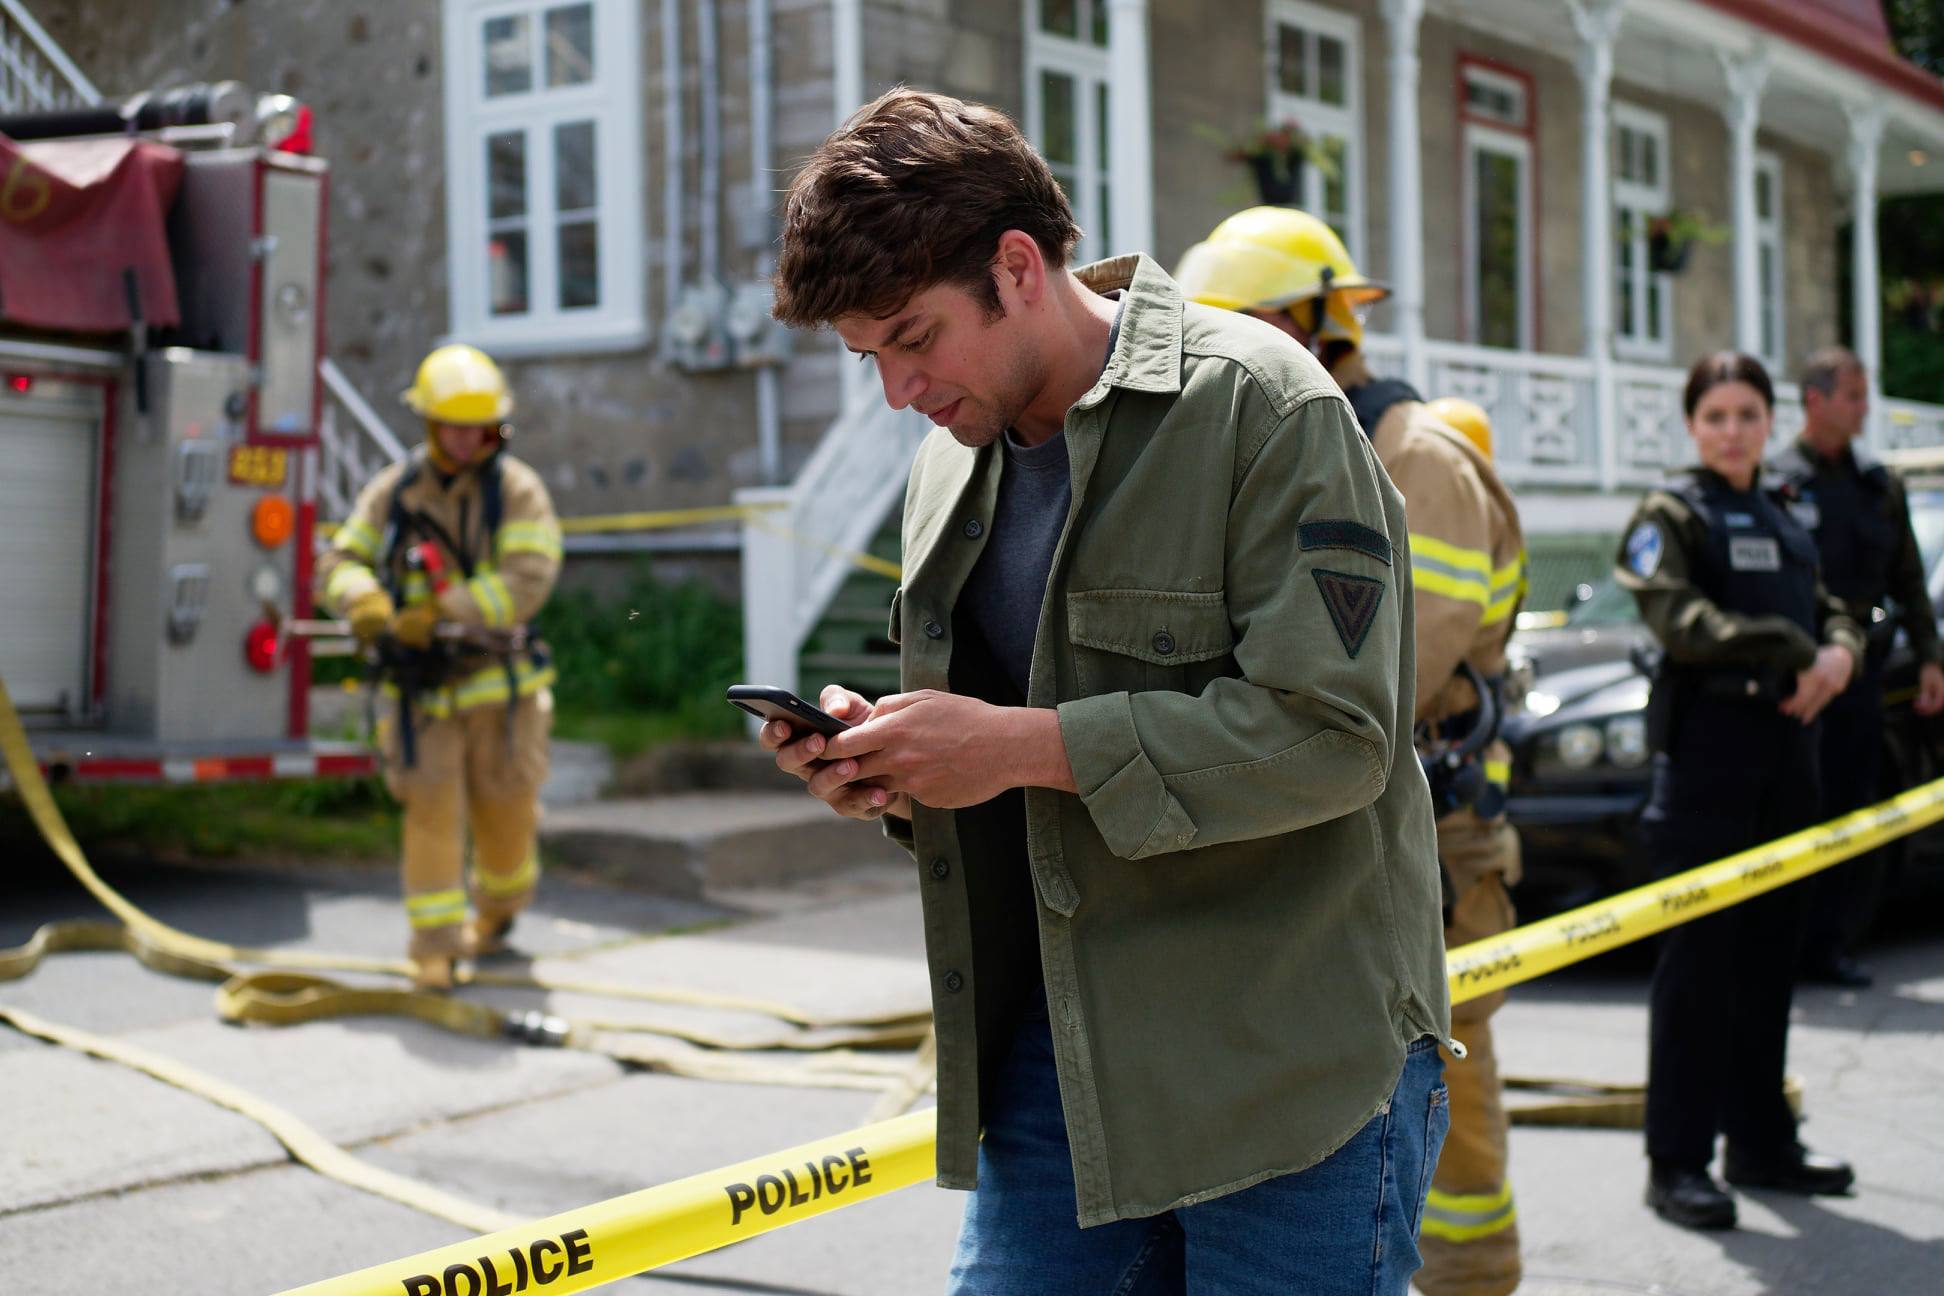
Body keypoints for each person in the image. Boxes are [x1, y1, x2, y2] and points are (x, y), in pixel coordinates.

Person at [764, 89, 1452, 1293]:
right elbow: (1000, 766)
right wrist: (891, 769)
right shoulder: (945, 471)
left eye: (913, 341)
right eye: (869, 359)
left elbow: (1336, 737)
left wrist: (1018, 746)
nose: (897, 394)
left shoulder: (1265, 409)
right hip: (1061, 1071)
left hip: (1289, 1074)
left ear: (1018, 267)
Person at [1175, 206, 1527, 1296]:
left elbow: (1387, 676)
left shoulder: (1414, 459)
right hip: (1328, 816)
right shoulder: (1292, 441)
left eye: (1247, 326)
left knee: (1440, 1075)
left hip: (1430, 833)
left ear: (1323, 323)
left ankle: (1472, 1279)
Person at [1615, 351, 1863, 1231]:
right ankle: (1676, 1161)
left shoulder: (1784, 510)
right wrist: (1794, 650)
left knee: (1770, 959)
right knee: (1698, 968)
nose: (1731, 430)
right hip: (1709, 760)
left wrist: (1839, 654)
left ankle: (1761, 1141)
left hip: (1788, 758)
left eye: (1747, 414)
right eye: (1715, 414)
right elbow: (1682, 623)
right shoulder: (1672, 513)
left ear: (1769, 422)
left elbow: (1834, 607)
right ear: (1692, 424)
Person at [314, 343, 562, 990]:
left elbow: (526, 582)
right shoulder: (395, 492)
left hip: (502, 694)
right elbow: (338, 561)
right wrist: (363, 599)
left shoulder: (517, 492)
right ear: (428, 423)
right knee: (428, 812)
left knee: (507, 823)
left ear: (494, 426)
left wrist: (443, 609)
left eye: (474, 426)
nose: (463, 438)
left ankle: (501, 911)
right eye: (451, 424)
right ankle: (434, 946)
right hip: (420, 694)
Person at [1768, 346, 1944, 988]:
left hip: (1863, 672)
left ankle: (1832, 941)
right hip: (1794, 673)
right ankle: (1784, 942)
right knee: (1791, 805)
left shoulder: (1879, 484)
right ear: (1816, 401)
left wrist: (1930, 659)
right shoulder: (1776, 481)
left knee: (1852, 807)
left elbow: (1908, 581)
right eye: (1853, 396)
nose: (1864, 408)